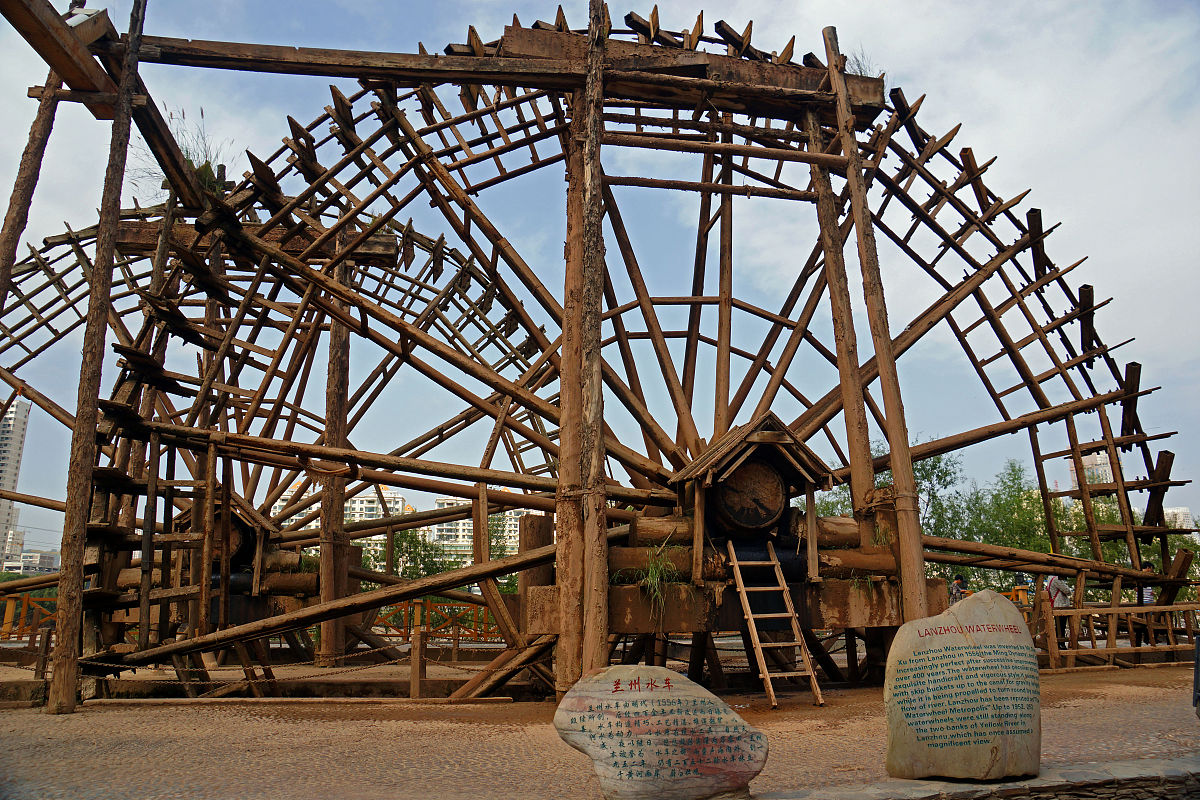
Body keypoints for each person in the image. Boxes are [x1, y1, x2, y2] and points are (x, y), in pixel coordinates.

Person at [1134, 563, 1157, 648]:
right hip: (1146, 603)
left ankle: (1148, 638)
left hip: (1148, 602)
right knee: (1147, 622)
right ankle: (1148, 638)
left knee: (1147, 622)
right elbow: (1136, 588)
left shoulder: (1146, 579)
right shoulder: (1142, 577)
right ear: (1148, 568)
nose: (1152, 571)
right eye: (1151, 569)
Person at [1045, 574, 1072, 641]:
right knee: (1061, 626)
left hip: (1056, 604)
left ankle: (1059, 642)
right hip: (1061, 605)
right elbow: (1067, 591)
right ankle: (1061, 642)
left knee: (1059, 625)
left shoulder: (1050, 578)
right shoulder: (1056, 579)